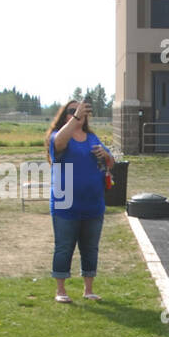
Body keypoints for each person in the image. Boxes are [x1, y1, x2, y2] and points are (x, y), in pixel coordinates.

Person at [47, 99, 113, 302]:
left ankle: (88, 289)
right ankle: (61, 290)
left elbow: (111, 163)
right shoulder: (58, 137)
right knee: (64, 246)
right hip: (65, 204)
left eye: (80, 111)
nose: (77, 114)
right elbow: (59, 144)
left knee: (90, 247)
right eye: (72, 111)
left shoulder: (92, 137)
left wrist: (106, 155)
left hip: (93, 203)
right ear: (64, 115)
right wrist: (75, 119)